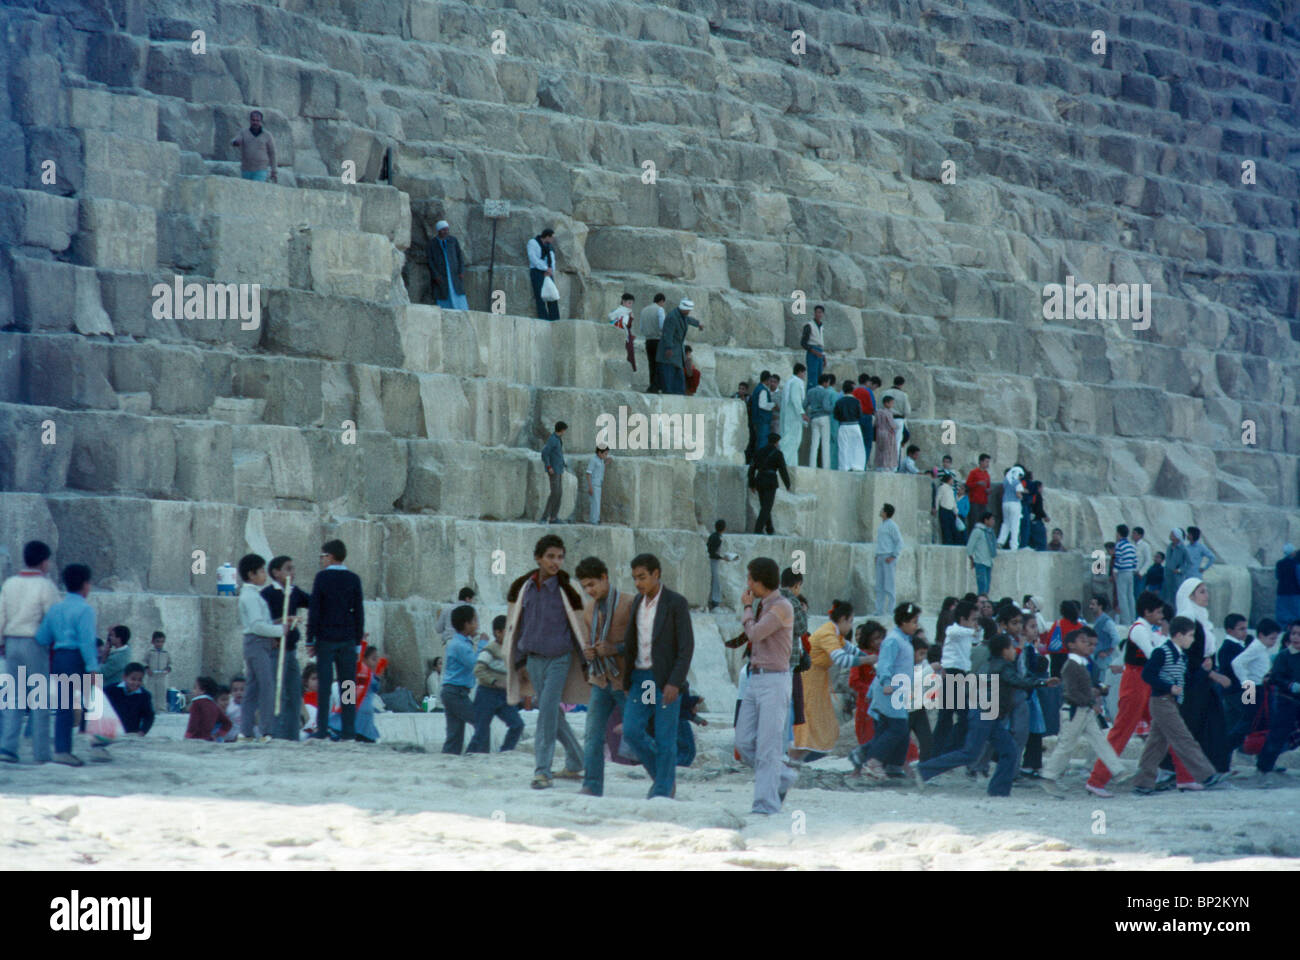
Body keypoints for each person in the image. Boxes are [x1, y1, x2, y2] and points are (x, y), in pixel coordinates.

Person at [918, 634, 1058, 796]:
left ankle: (999, 791)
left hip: (988, 715)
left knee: (1009, 751)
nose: (1014, 651)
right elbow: (1018, 682)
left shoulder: (989, 664)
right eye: (1011, 648)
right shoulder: (1003, 667)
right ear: (1004, 651)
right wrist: (1043, 682)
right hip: (986, 714)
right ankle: (923, 770)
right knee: (970, 753)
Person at [503, 534, 589, 789]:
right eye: (550, 556)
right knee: (551, 713)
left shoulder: (568, 589)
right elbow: (517, 626)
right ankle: (577, 759)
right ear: (538, 558)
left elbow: (578, 629)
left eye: (560, 557)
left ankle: (542, 771)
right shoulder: (523, 587)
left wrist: (587, 663)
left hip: (559, 660)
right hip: (532, 661)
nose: (556, 562)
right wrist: (518, 663)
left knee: (548, 713)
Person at [620, 554, 694, 799]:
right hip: (642, 680)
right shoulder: (637, 603)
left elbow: (686, 647)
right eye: (635, 579)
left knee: (665, 736)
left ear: (656, 574)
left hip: (664, 680)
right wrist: (626, 680)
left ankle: (662, 790)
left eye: (642, 577)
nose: (638, 583)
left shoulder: (676, 603)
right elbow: (631, 644)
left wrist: (675, 682)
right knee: (631, 730)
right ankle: (664, 777)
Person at [1086, 591, 1168, 795]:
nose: (1161, 615)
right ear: (1147, 612)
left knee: (1165, 726)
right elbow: (1154, 656)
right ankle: (1096, 780)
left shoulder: (1149, 629)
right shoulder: (1140, 630)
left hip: (1145, 682)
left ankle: (1174, 773)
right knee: (1121, 732)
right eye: (1157, 612)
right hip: (1135, 683)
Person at [1132, 617, 1225, 794]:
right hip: (1162, 701)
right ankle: (1206, 775)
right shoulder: (1162, 652)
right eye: (1190, 635)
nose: (1192, 639)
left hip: (1171, 702)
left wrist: (1204, 671)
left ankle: (1143, 783)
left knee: (1156, 744)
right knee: (1183, 737)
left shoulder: (1181, 656)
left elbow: (1187, 682)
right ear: (1178, 635)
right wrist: (1169, 687)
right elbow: (1147, 675)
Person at [735, 557, 798, 811]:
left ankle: (765, 804)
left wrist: (747, 609)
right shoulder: (764, 605)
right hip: (755, 677)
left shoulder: (781, 606)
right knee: (743, 741)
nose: (748, 584)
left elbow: (756, 633)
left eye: (751, 579)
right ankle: (783, 777)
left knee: (768, 747)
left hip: (774, 680)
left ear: (761, 581)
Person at [1040, 628, 1129, 797]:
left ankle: (1117, 771)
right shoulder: (1070, 666)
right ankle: (1049, 776)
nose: (1086, 644)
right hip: (1075, 711)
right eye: (1082, 641)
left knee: (1100, 741)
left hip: (1084, 710)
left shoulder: (1081, 664)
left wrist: (1094, 693)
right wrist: (1090, 697)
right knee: (1066, 746)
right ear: (1071, 645)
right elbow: (1071, 692)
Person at [574, 557, 633, 795]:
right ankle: (592, 785)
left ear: (605, 578)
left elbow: (641, 642)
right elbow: (588, 641)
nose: (589, 591)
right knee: (593, 735)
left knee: (638, 732)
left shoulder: (629, 603)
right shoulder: (589, 609)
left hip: (625, 681)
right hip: (600, 679)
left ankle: (662, 781)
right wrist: (588, 651)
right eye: (585, 586)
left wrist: (615, 648)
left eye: (592, 584)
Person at [0, 540, 61, 764]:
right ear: (44, 562)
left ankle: (8, 747)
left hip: (11, 642)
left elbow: (1, 615)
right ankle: (41, 752)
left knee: (14, 698)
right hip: (34, 643)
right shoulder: (46, 586)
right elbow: (52, 619)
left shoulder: (10, 583)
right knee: (40, 699)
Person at [851, 602, 923, 781]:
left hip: (899, 691)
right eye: (914, 621)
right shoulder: (893, 640)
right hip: (890, 691)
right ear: (903, 622)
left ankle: (889, 765)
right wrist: (886, 683)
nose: (916, 625)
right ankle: (873, 762)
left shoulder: (903, 640)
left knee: (890, 731)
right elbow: (884, 664)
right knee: (898, 729)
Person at [794, 601, 870, 761]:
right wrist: (867, 660)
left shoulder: (835, 633)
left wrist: (872, 660)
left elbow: (851, 649)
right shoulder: (827, 633)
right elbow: (842, 659)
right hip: (809, 680)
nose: (851, 626)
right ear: (843, 619)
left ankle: (805, 755)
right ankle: (796, 756)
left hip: (818, 680)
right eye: (850, 621)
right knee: (809, 720)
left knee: (824, 721)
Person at [307, 539, 364, 742]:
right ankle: (348, 730)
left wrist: (309, 640)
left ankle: (322, 729)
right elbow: (359, 612)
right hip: (348, 640)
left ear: (330, 556)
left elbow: (315, 610)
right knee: (348, 685)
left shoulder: (322, 578)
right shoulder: (353, 579)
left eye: (322, 556)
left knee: (324, 686)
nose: (321, 560)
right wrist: (358, 641)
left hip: (326, 640)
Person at [1172, 578, 1231, 775]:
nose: (1207, 596)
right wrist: (1209, 671)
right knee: (1190, 724)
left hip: (1202, 681)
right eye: (1202, 592)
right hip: (1192, 682)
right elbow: (1186, 654)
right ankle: (1178, 770)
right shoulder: (1187, 620)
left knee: (1211, 724)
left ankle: (1212, 769)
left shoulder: (1202, 620)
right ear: (1190, 596)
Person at [234, 554, 286, 743]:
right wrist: (280, 630)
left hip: (258, 643)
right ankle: (265, 731)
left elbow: (261, 622)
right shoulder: (250, 597)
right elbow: (256, 625)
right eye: (262, 570)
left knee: (253, 689)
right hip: (256, 643)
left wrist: (277, 624)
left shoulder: (253, 595)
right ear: (251, 574)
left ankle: (246, 731)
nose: (265, 574)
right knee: (266, 687)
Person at [262, 555, 310, 740]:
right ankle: (275, 733)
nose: (293, 572)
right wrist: (280, 622)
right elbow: (260, 622)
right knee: (277, 694)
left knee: (294, 693)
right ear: (276, 572)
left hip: (290, 649)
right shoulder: (267, 594)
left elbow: (313, 602)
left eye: (293, 568)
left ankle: (292, 735)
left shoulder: (294, 592)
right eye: (288, 569)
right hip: (274, 649)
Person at [468, 615, 525, 754]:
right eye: (508, 630)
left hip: (503, 695)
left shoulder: (511, 650)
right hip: (486, 694)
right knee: (481, 731)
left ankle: (505, 752)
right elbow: (478, 669)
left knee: (517, 725)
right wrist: (494, 681)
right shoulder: (490, 649)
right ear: (498, 632)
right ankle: (470, 756)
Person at [1253, 620, 1300, 776]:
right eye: (1294, 633)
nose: (1296, 638)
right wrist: (1290, 685)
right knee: (1278, 735)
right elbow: (1275, 677)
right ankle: (1264, 766)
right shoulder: (1283, 656)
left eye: (1299, 634)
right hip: (1286, 701)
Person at [1227, 618, 1280, 754]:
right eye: (1272, 639)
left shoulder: (1261, 647)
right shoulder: (1256, 647)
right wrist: (1245, 682)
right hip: (1252, 688)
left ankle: (1261, 755)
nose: (1274, 643)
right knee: (1247, 721)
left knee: (1259, 721)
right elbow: (1237, 663)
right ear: (1261, 635)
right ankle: (1225, 749)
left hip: (1260, 688)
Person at [933, 599, 979, 754]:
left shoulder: (965, 632)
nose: (975, 623)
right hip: (952, 674)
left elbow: (976, 638)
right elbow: (960, 632)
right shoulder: (953, 630)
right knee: (957, 717)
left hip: (960, 675)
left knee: (950, 717)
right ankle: (944, 751)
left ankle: (941, 751)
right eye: (973, 619)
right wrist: (974, 630)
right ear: (962, 619)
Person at [442, 605, 486, 755]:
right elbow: (476, 665)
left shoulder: (459, 643)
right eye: (474, 621)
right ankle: (472, 754)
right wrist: (482, 644)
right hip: (456, 693)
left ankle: (450, 758)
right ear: (466, 624)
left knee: (454, 735)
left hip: (452, 692)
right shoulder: (460, 645)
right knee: (481, 723)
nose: (477, 625)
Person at [749, 431, 791, 535]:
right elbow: (783, 470)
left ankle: (769, 529)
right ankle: (758, 530)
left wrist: (752, 484)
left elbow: (751, 469)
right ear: (776, 442)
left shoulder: (759, 452)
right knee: (766, 507)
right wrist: (788, 484)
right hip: (770, 482)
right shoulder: (778, 454)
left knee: (764, 505)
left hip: (759, 481)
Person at [656, 299, 701, 395]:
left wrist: (698, 324)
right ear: (684, 309)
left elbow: (689, 320)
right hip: (669, 352)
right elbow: (668, 334)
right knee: (669, 378)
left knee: (679, 378)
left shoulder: (682, 315)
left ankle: (678, 394)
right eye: (688, 310)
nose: (689, 312)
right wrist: (668, 348)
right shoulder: (672, 317)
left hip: (677, 353)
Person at [428, 219, 468, 310]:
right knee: (443, 296)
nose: (446, 231)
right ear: (438, 231)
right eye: (443, 230)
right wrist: (435, 275)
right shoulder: (432, 243)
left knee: (458, 295)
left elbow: (459, 256)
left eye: (447, 229)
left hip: (454, 274)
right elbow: (430, 261)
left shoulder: (453, 240)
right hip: (441, 276)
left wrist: (461, 271)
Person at [105, 663, 155, 735]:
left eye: (140, 680)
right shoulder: (110, 690)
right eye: (133, 679)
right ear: (124, 677)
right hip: (110, 732)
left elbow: (149, 716)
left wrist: (143, 731)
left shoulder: (144, 696)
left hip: (131, 734)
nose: (136, 683)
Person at [230, 110, 277, 182]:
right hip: (246, 170)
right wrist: (235, 142)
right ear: (250, 120)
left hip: (261, 169)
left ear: (261, 121)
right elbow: (234, 140)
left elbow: (272, 153)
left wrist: (274, 171)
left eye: (257, 120)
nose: (255, 122)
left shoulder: (267, 135)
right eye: (253, 120)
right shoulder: (244, 132)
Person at [873, 504, 903, 616]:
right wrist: (877, 555)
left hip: (888, 557)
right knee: (879, 585)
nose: (880, 511)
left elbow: (899, 541)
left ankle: (891, 611)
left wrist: (894, 555)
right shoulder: (882, 525)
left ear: (885, 513)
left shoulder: (892, 526)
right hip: (880, 556)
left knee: (889, 585)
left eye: (882, 510)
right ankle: (879, 610)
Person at [777, 363, 808, 467]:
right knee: (791, 439)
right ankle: (786, 462)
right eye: (804, 373)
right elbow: (795, 399)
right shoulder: (796, 382)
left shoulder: (789, 382)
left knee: (790, 439)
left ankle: (791, 464)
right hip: (793, 415)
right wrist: (802, 413)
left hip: (788, 414)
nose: (804, 375)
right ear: (799, 372)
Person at [184, 676, 232, 741]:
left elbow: (193, 724)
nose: (193, 691)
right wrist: (217, 734)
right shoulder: (214, 706)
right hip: (209, 739)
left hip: (196, 738)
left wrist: (187, 736)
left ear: (202, 690)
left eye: (195, 688)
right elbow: (228, 723)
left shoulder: (196, 703)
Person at [526, 228, 559, 321]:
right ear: (547, 236)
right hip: (537, 271)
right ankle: (543, 319)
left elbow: (552, 259)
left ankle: (555, 319)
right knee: (540, 296)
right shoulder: (533, 243)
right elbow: (533, 258)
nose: (553, 240)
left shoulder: (549, 246)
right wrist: (545, 268)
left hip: (548, 272)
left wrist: (550, 270)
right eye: (552, 237)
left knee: (552, 296)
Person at [539, 421, 568, 524]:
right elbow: (544, 453)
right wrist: (548, 466)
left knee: (559, 493)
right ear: (562, 430)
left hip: (559, 470)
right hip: (554, 470)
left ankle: (553, 517)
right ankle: (544, 517)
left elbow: (557, 454)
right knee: (554, 493)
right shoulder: (552, 439)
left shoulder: (558, 439)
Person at [805, 373, 835, 469]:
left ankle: (812, 465)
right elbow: (826, 407)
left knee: (814, 443)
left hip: (814, 418)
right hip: (824, 417)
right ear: (825, 383)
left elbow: (804, 404)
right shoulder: (825, 393)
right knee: (825, 443)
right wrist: (833, 408)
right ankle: (826, 466)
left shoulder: (810, 392)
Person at [833, 381, 864, 471]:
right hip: (855, 425)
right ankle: (857, 465)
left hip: (843, 426)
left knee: (843, 447)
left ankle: (844, 467)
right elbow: (860, 415)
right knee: (856, 446)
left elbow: (836, 415)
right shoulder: (856, 401)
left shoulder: (839, 401)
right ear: (852, 390)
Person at [638, 293, 667, 392]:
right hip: (657, 340)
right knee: (659, 364)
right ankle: (657, 386)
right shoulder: (660, 309)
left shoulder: (644, 310)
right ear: (662, 301)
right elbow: (662, 326)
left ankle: (652, 386)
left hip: (648, 340)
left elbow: (641, 328)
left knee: (651, 364)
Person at [964, 512, 997, 595]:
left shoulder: (990, 532)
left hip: (988, 562)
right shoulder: (977, 531)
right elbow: (969, 547)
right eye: (992, 519)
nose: (993, 521)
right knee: (982, 587)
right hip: (980, 562)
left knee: (987, 588)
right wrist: (972, 560)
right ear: (986, 520)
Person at [879, 376, 910, 462]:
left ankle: (884, 463)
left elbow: (879, 407)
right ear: (902, 384)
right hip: (898, 420)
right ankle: (894, 464)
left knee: (885, 442)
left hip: (885, 418)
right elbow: (907, 411)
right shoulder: (903, 395)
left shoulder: (884, 393)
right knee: (896, 443)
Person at [1114, 525, 1138, 626]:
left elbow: (1118, 560)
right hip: (1130, 572)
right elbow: (1135, 561)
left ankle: (1126, 621)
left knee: (1122, 597)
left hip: (1122, 572)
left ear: (1119, 534)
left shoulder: (1119, 545)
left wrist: (1115, 571)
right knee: (1130, 596)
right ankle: (1133, 618)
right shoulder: (1132, 546)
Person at [997, 466, 1026, 550]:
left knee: (1006, 523)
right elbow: (1018, 494)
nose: (1021, 477)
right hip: (1014, 504)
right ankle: (1014, 545)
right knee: (1015, 525)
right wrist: (1022, 497)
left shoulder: (1006, 481)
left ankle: (1000, 541)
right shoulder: (1017, 483)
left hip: (1005, 503)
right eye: (1020, 475)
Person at [1162, 529, 1190, 606]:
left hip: (1177, 576)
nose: (1170, 535)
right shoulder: (1169, 547)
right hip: (1168, 574)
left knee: (1177, 596)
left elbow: (1189, 563)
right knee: (1168, 596)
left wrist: (1180, 570)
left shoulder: (1183, 548)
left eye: (1172, 534)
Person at [585, 444, 611, 525]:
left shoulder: (600, 460)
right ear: (599, 452)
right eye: (605, 454)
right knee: (594, 503)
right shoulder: (593, 460)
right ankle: (593, 520)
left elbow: (600, 468)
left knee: (597, 503)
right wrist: (590, 487)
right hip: (594, 484)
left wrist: (607, 462)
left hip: (598, 484)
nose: (606, 456)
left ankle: (596, 519)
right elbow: (588, 473)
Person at [801, 305, 827, 386]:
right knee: (813, 376)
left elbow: (821, 343)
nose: (818, 314)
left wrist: (824, 356)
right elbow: (803, 343)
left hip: (820, 352)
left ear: (822, 314)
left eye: (820, 312)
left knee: (820, 377)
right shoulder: (809, 325)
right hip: (812, 351)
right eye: (816, 312)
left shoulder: (822, 327)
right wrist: (813, 351)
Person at [1275, 544, 1300, 626]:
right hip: (1295, 593)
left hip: (1281, 592)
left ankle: (1283, 629)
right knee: (1295, 613)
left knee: (1282, 613)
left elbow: (1277, 576)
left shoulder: (1279, 563)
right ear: (1292, 553)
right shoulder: (1296, 564)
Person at [964, 454, 992, 528]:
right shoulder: (974, 472)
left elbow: (988, 487)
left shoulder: (987, 474)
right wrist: (977, 483)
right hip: (974, 501)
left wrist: (988, 491)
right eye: (986, 462)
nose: (988, 464)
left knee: (982, 521)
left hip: (983, 501)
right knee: (974, 521)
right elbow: (967, 485)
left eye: (988, 462)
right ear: (981, 462)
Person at [145, 631, 171, 709]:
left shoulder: (166, 653)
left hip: (162, 676)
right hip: (152, 675)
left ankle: (162, 708)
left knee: (161, 692)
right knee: (151, 692)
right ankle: (150, 708)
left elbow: (170, 663)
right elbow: (144, 661)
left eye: (162, 642)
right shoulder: (150, 652)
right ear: (153, 641)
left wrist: (168, 669)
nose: (159, 644)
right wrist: (147, 668)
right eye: (157, 641)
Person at [872, 395, 898, 471]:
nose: (892, 405)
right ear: (886, 403)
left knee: (879, 450)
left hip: (879, 432)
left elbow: (875, 423)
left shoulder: (878, 412)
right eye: (891, 403)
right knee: (888, 450)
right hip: (887, 433)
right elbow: (892, 424)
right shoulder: (888, 413)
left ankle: (879, 465)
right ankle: (887, 466)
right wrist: (896, 427)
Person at [854, 375, 876, 464]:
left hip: (856, 417)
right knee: (867, 442)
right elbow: (872, 407)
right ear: (867, 382)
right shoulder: (867, 392)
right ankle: (863, 463)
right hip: (866, 416)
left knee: (858, 441)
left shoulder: (854, 391)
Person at [706, 519, 726, 611]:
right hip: (714, 561)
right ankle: (715, 601)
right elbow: (713, 552)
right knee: (716, 581)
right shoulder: (718, 538)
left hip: (711, 560)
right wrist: (722, 558)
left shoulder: (712, 536)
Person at [935, 472, 959, 545]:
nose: (952, 481)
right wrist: (936, 508)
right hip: (944, 510)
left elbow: (953, 501)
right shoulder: (942, 488)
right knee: (946, 528)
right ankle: (947, 542)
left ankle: (953, 542)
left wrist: (956, 511)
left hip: (950, 511)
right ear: (948, 480)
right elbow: (938, 498)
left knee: (952, 528)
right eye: (951, 480)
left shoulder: (951, 489)